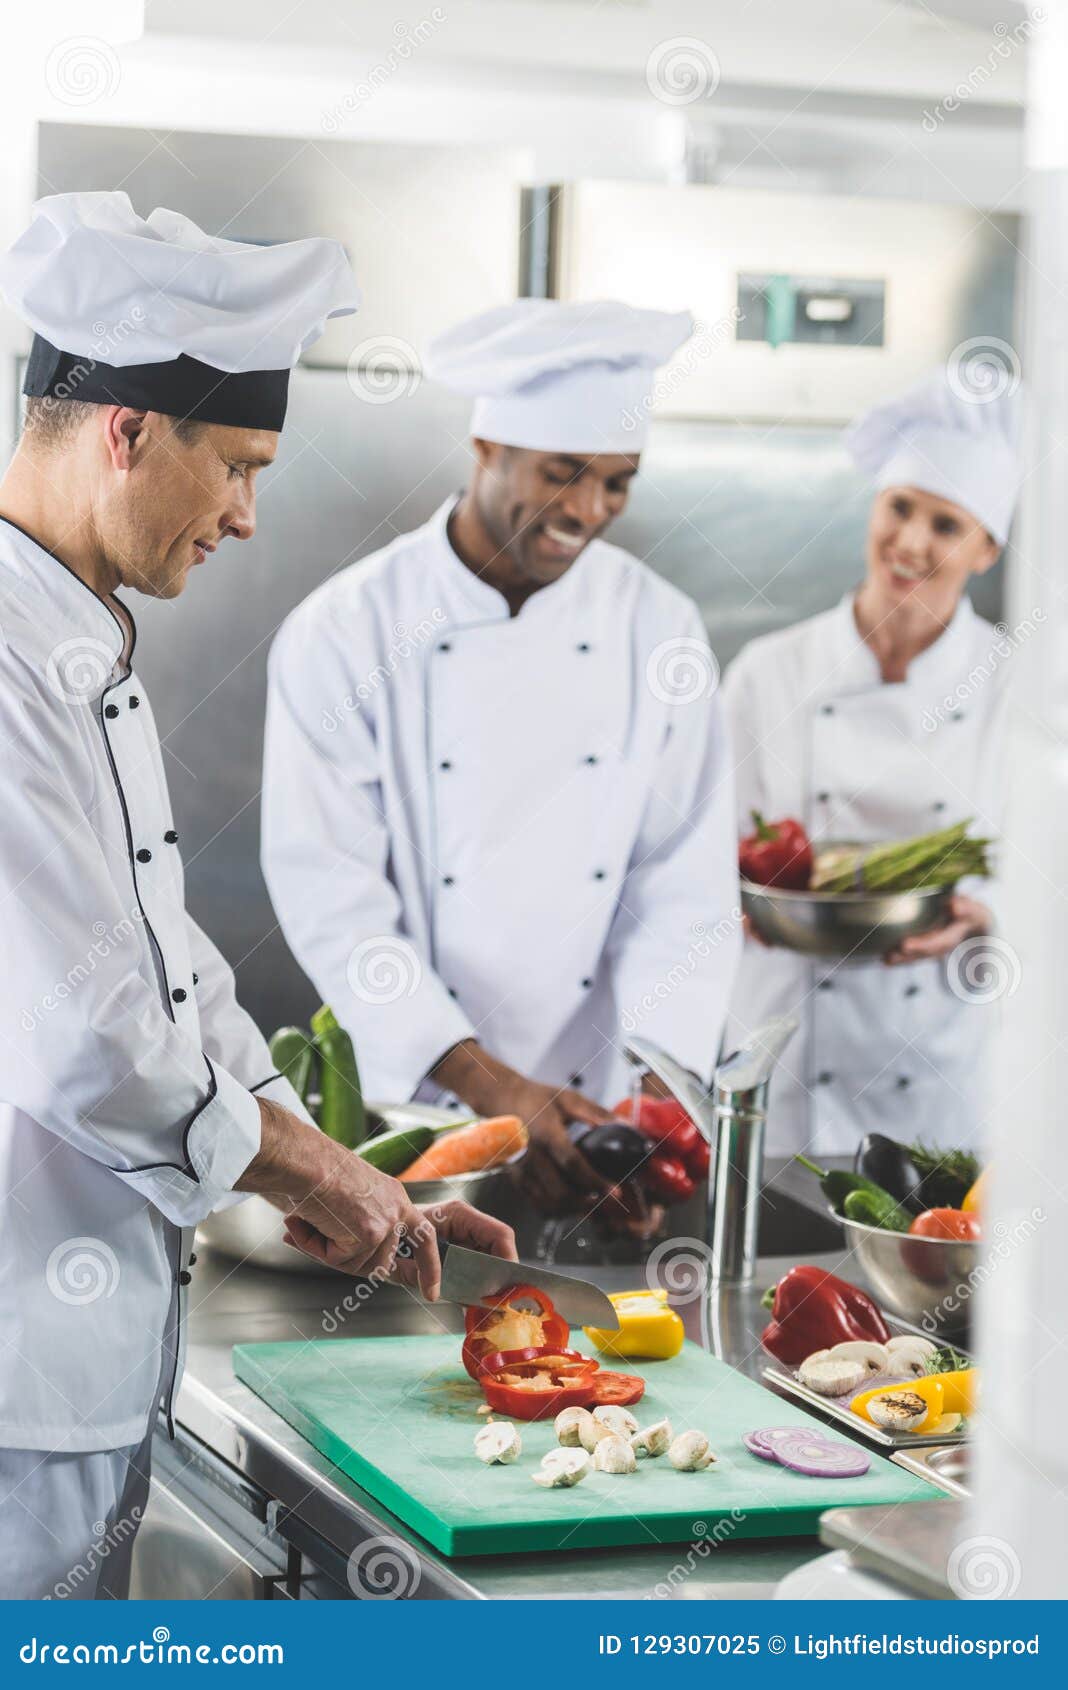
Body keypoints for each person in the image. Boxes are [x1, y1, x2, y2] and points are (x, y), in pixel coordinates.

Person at [0, 192, 514, 1601]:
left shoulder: (76, 646)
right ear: (126, 429)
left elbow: (171, 977)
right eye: (237, 466)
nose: (243, 514)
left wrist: (366, 1188)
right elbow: (89, 1038)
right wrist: (311, 1166)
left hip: (72, 1368)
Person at [261, 299, 741, 1213]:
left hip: (602, 1116)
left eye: (617, 482)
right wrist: (492, 1090)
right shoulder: (348, 631)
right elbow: (333, 900)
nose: (588, 511)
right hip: (431, 1110)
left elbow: (682, 886)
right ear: (486, 447)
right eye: (563, 473)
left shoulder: (659, 628)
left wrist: (647, 1108)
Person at [723, 367, 1020, 1156]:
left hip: (937, 1068)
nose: (911, 542)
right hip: (785, 1056)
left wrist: (987, 911)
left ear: (987, 548)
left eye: (947, 525)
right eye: (899, 507)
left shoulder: (1019, 689)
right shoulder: (769, 670)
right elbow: (701, 857)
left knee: (924, 1258)